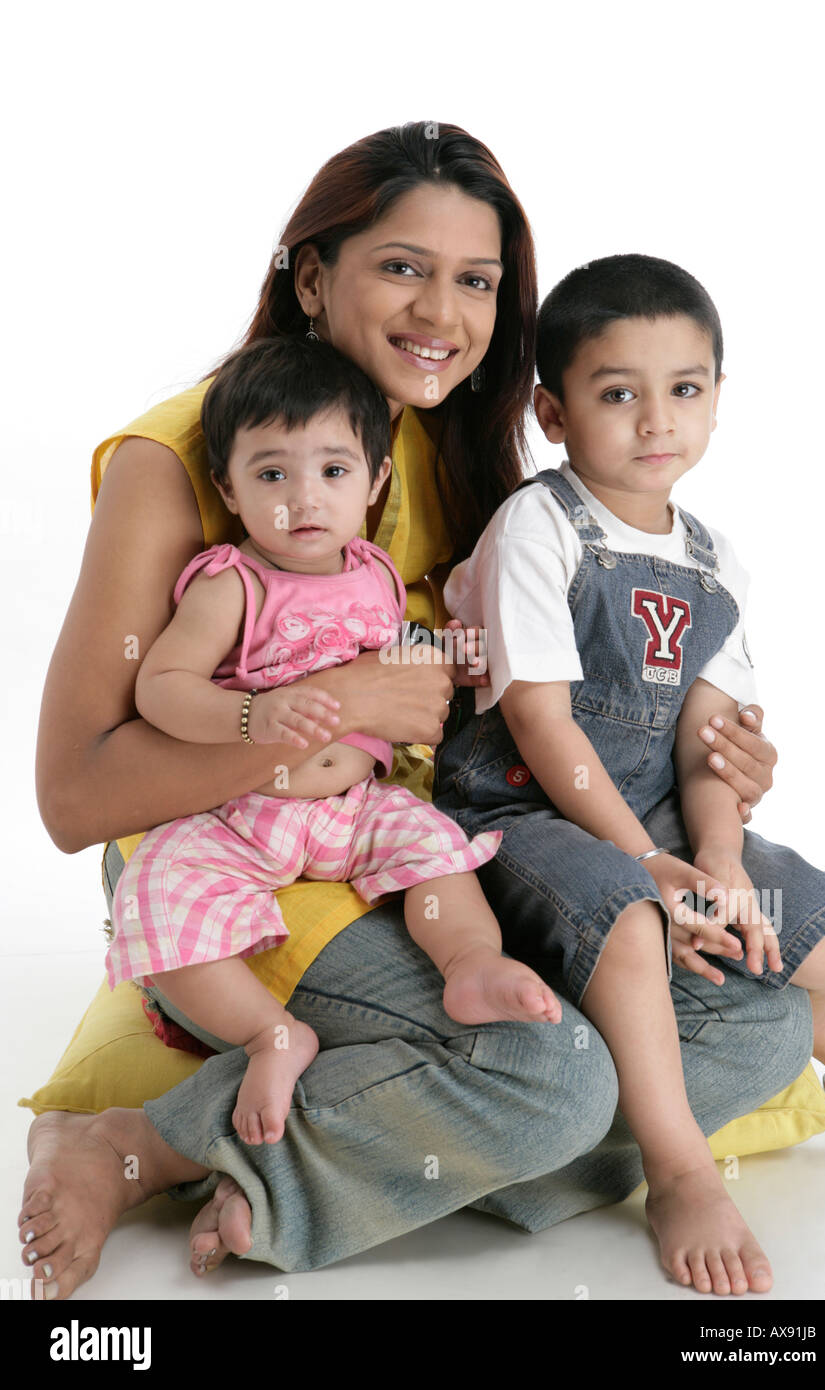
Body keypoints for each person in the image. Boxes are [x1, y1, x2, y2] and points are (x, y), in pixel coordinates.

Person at [22, 126, 794, 1304]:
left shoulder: (453, 451)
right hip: (238, 861)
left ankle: (378, 1160)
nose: (441, 310)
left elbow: (547, 706)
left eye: (476, 281)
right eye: (400, 267)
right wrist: (302, 719)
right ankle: (139, 1145)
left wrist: (711, 751)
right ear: (311, 275)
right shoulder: (182, 456)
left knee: (762, 1027)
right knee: (557, 1076)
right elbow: (74, 795)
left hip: (428, 851)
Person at [433, 252, 825, 1294]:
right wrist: (644, 865)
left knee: (817, 931)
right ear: (551, 409)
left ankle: (822, 1023)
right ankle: (674, 1166)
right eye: (616, 393)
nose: (654, 420)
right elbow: (535, 718)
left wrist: (711, 853)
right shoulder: (540, 526)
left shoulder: (714, 559)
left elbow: (707, 738)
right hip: (522, 810)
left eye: (683, 390)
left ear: (716, 398)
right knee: (629, 913)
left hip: (659, 814)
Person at [106, 334, 561, 1147]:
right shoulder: (231, 584)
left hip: (356, 808)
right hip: (243, 812)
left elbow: (395, 657)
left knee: (439, 852)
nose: (302, 499)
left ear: (375, 482)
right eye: (271, 474)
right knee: (157, 890)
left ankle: (469, 965)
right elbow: (160, 686)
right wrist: (252, 719)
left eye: (334, 471)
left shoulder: (376, 573)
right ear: (228, 488)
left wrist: (456, 659)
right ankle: (268, 1034)